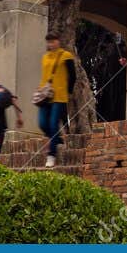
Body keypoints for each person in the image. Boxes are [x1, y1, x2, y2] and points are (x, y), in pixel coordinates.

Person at [36, 31, 77, 169]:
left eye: (53, 41)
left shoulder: (66, 56)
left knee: (53, 124)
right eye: (48, 41)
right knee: (42, 124)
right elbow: (44, 76)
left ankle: (51, 154)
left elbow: (73, 76)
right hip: (45, 96)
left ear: (58, 41)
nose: (51, 44)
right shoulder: (45, 57)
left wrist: (69, 91)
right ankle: (57, 139)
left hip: (59, 96)